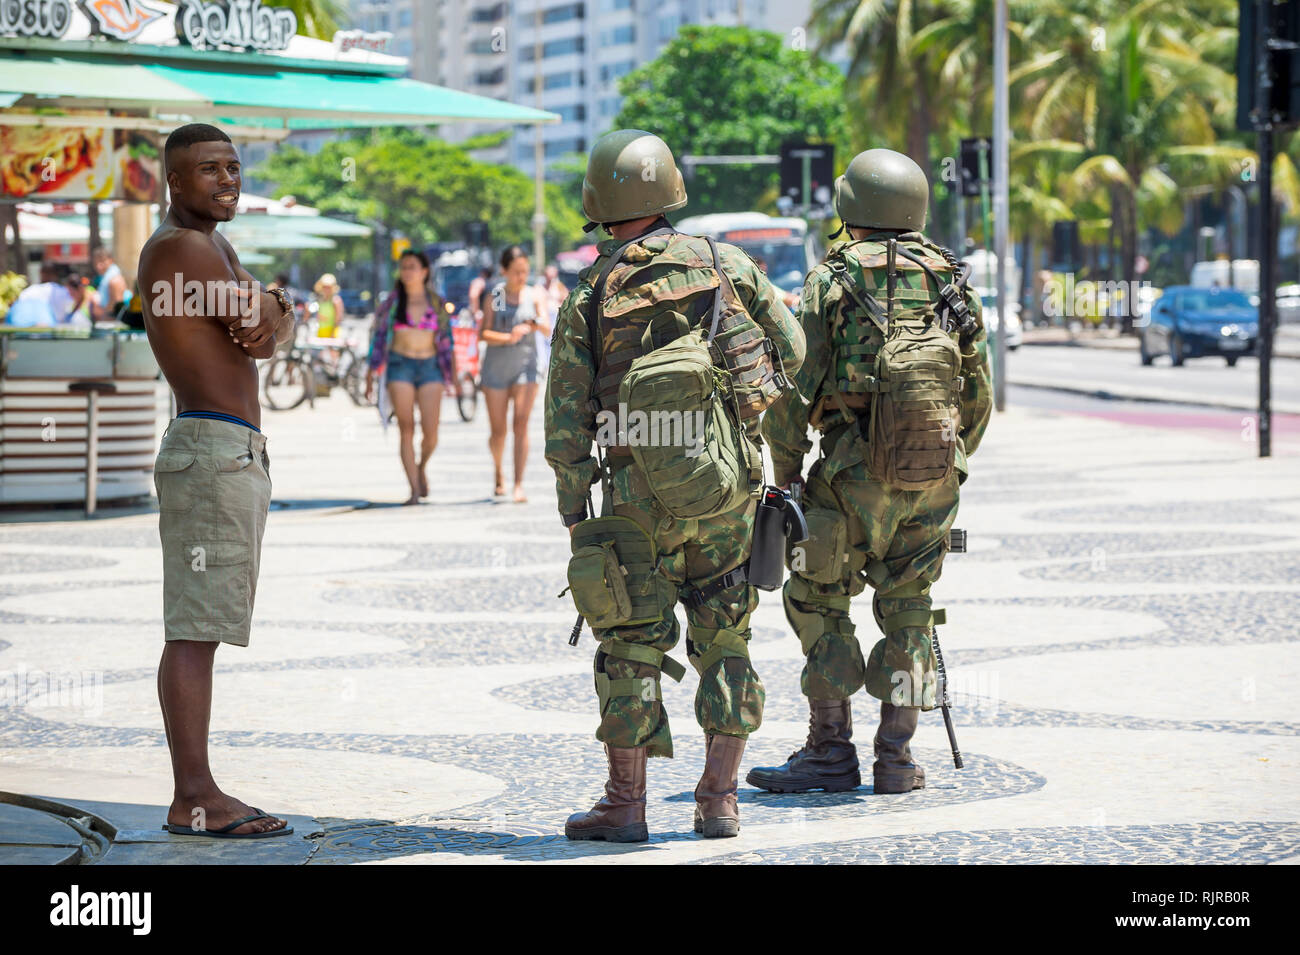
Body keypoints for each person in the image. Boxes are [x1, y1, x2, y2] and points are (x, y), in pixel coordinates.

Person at [545, 129, 805, 842]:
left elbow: (566, 415)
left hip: (632, 497)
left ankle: (625, 804)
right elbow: (795, 346)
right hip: (724, 487)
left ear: (600, 198)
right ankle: (719, 798)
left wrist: (575, 507)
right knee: (726, 640)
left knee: (628, 640)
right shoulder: (725, 262)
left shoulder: (593, 289)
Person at [749, 148, 992, 797]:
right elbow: (979, 392)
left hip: (853, 472)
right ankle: (897, 756)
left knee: (816, 593)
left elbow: (795, 385)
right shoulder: (950, 279)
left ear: (850, 208)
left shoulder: (832, 278)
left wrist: (787, 471)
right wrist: (947, 457)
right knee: (911, 607)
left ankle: (830, 749)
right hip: (934, 477)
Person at [138, 122, 296, 838]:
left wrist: (275, 307)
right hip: (209, 447)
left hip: (226, 445)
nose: (228, 179)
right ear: (175, 180)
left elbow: (266, 332)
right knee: (195, 629)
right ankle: (194, 795)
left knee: (204, 624)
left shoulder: (214, 246)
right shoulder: (185, 249)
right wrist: (272, 304)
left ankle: (197, 791)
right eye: (210, 169)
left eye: (234, 166)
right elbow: (255, 319)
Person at [365, 249, 455, 505]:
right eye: (404, 267)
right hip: (399, 364)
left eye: (412, 266)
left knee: (431, 432)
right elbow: (378, 339)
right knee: (406, 428)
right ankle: (414, 488)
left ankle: (422, 465)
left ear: (425, 271)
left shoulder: (437, 302)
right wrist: (370, 374)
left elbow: (448, 341)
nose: (407, 271)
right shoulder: (391, 303)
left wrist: (454, 378)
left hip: (430, 367)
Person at [481, 244, 548, 503]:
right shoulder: (496, 296)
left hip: (526, 366)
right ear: (504, 271)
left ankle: (519, 484)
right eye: (516, 272)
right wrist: (508, 337)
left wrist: (535, 323)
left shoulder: (534, 294)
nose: (521, 277)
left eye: (525, 271)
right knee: (499, 431)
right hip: (496, 368)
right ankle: (499, 472)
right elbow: (484, 333)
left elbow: (546, 327)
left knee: (520, 425)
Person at [5, 268, 87, 327]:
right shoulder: (64, 296)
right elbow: (62, 321)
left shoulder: (52, 290)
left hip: (18, 315)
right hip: (31, 317)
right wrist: (81, 300)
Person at [91, 246, 129, 321]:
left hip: (111, 326)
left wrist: (101, 319)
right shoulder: (107, 277)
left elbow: (117, 309)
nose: (98, 266)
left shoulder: (115, 280)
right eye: (96, 263)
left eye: (102, 261)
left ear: (111, 260)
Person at [313, 272, 344, 339]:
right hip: (321, 331)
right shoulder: (321, 300)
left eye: (328, 287)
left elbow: (338, 318)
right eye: (324, 287)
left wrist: (333, 333)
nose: (326, 289)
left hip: (332, 332)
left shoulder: (336, 300)